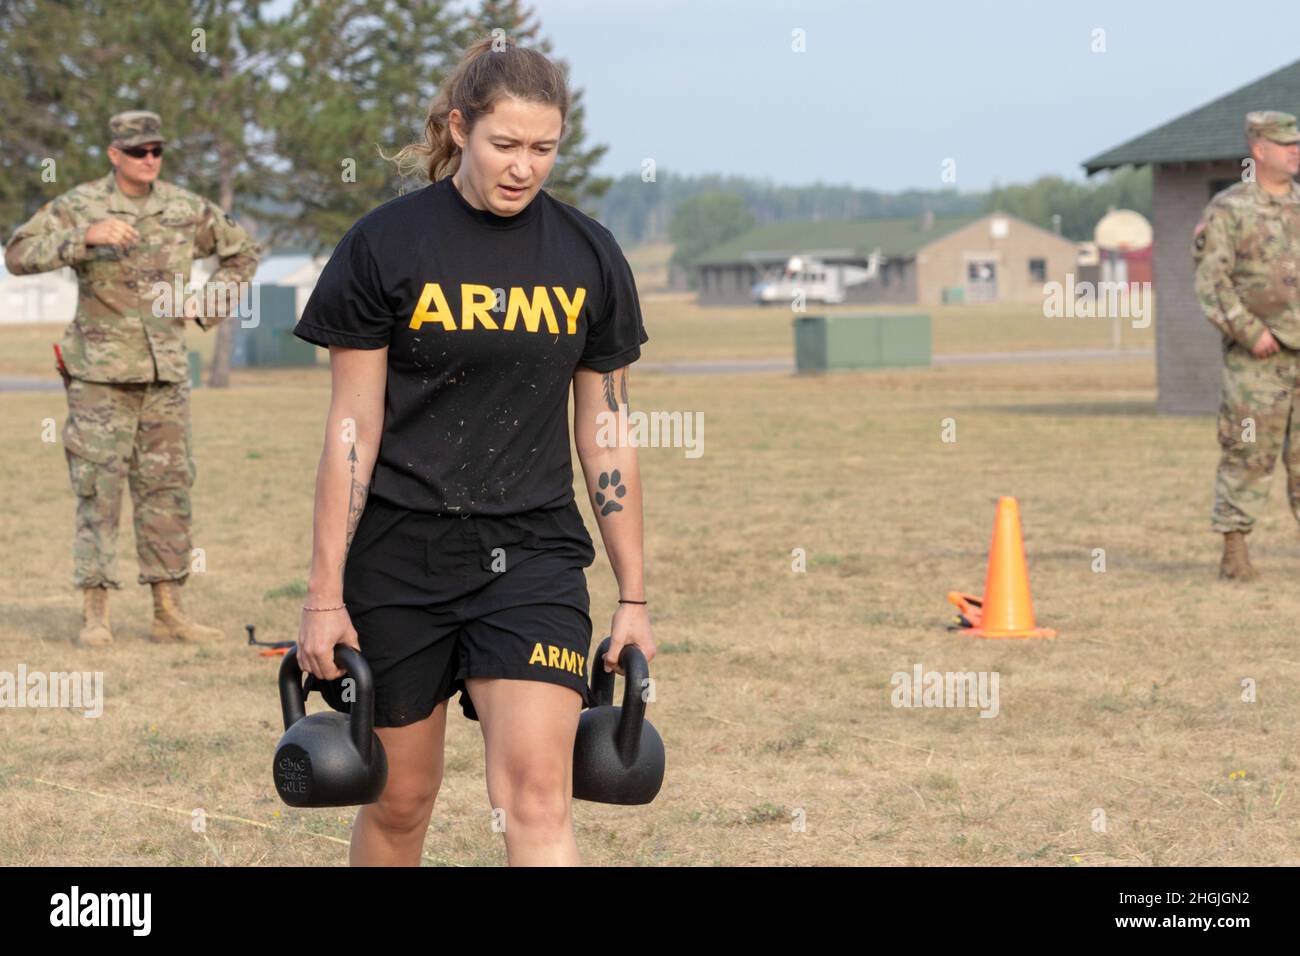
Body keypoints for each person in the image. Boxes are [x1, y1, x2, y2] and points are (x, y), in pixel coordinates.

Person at [292, 37, 654, 867]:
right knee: (399, 802)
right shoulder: (385, 245)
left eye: (543, 148)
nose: (524, 167)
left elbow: (605, 431)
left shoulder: (589, 253)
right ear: (459, 128)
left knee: (536, 795)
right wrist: (322, 592)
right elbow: (352, 428)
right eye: (504, 145)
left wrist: (633, 596)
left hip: (531, 555)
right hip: (399, 555)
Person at [4, 110, 263, 643]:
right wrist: (83, 237)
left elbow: (243, 252)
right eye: (139, 151)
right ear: (114, 154)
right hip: (98, 377)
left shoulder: (186, 208)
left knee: (168, 490)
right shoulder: (79, 205)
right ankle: (95, 614)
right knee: (98, 488)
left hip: (164, 374)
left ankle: (168, 612)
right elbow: (17, 254)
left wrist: (208, 303)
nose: (150, 159)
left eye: (156, 150)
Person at [1194, 110, 1300, 580]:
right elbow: (1212, 282)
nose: (1296, 150)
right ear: (1259, 150)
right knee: (1248, 452)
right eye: (1285, 144)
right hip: (1259, 359)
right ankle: (1235, 553)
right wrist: (1249, 331)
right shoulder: (1229, 210)